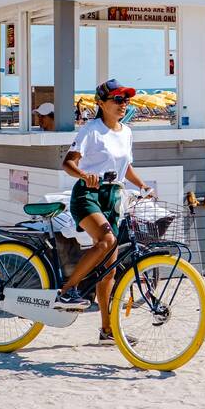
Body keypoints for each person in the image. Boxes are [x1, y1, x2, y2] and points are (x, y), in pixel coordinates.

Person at [52, 79, 154, 343]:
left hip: (114, 197)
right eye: (117, 100)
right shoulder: (91, 130)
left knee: (110, 270)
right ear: (101, 103)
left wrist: (143, 186)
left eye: (126, 100)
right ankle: (67, 289)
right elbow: (68, 163)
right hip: (88, 195)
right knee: (106, 240)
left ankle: (107, 330)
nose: (123, 105)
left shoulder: (127, 132)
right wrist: (86, 176)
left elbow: (126, 167)